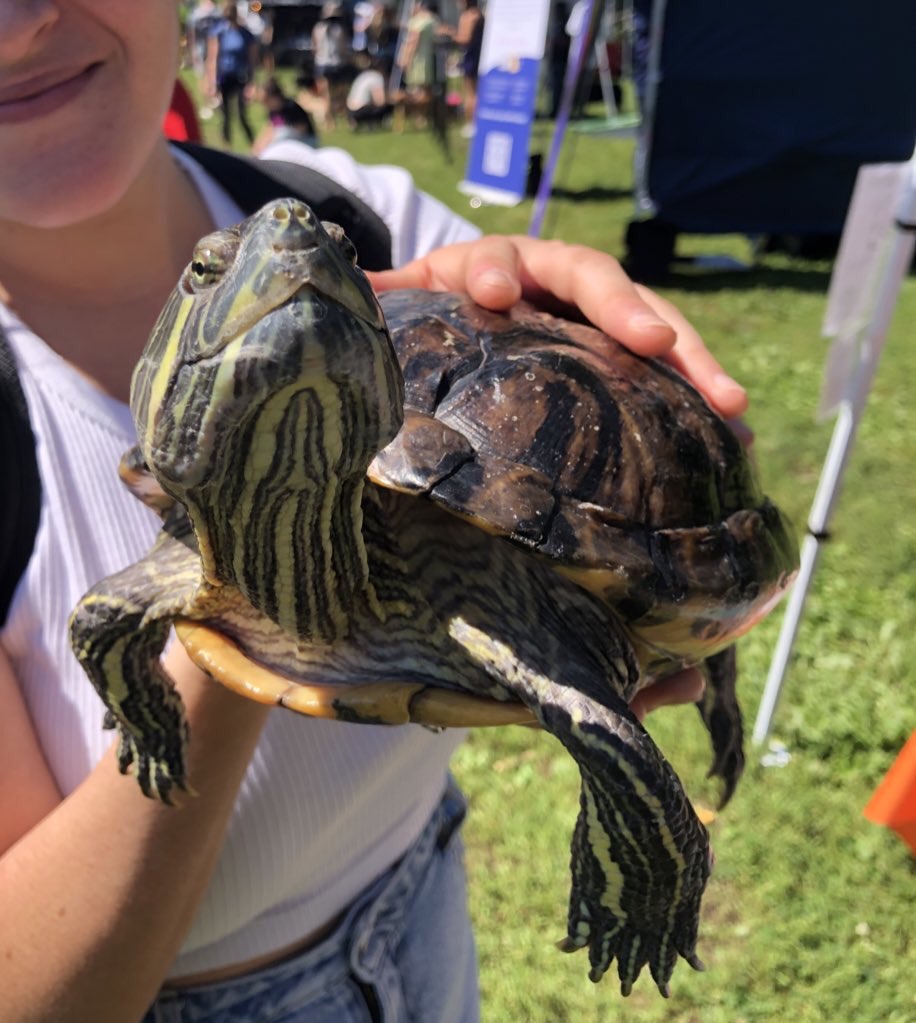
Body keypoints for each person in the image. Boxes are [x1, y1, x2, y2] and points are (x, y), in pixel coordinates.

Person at [0, 3, 749, 1022]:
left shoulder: (371, 219)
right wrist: (234, 606)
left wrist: (627, 380)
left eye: (326, 276)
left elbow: (653, 465)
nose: (16, 27)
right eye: (218, 275)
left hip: (418, 897)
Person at [206, 2, 259, 146]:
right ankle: (226, 145)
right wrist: (212, 82)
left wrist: (252, 82)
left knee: (242, 114)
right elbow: (213, 57)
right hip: (224, 76)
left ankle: (254, 144)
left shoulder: (246, 34)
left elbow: (253, 59)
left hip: (240, 76)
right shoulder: (219, 32)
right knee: (225, 116)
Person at [440, 0, 484, 138]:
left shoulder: (468, 16)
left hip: (471, 56)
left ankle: (472, 123)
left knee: (470, 92)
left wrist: (449, 32)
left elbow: (464, 39)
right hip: (479, 56)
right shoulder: (480, 15)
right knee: (476, 91)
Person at [395, 0, 440, 129]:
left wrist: (406, 59)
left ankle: (415, 113)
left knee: (422, 91)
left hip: (419, 59)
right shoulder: (432, 20)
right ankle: (417, 115)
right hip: (424, 59)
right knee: (423, 91)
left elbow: (412, 43)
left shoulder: (418, 21)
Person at [311, 1, 353, 129]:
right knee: (342, 94)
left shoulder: (318, 28)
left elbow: (315, 47)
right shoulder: (339, 29)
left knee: (326, 94)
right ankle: (348, 119)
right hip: (338, 64)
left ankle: (329, 121)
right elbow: (343, 49)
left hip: (323, 64)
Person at [252, 77, 319, 154]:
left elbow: (302, 129)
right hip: (290, 143)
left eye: (265, 100)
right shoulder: (273, 112)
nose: (264, 104)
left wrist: (274, 139)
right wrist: (257, 148)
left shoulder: (291, 107)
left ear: (275, 98)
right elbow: (269, 130)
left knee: (282, 134)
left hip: (307, 142)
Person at [346, 55, 393, 129]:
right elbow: (380, 101)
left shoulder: (364, 74)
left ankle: (360, 123)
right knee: (388, 106)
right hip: (361, 111)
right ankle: (377, 123)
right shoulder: (377, 77)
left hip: (350, 111)